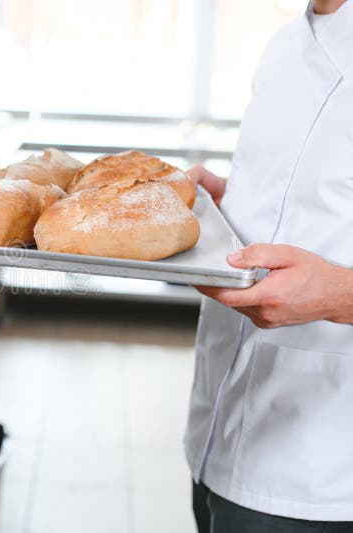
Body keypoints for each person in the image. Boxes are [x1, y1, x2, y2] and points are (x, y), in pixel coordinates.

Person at [184, 0, 353, 531]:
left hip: (320, 471)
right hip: (217, 429)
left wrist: (339, 294)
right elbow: (313, 203)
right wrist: (228, 203)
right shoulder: (284, 46)